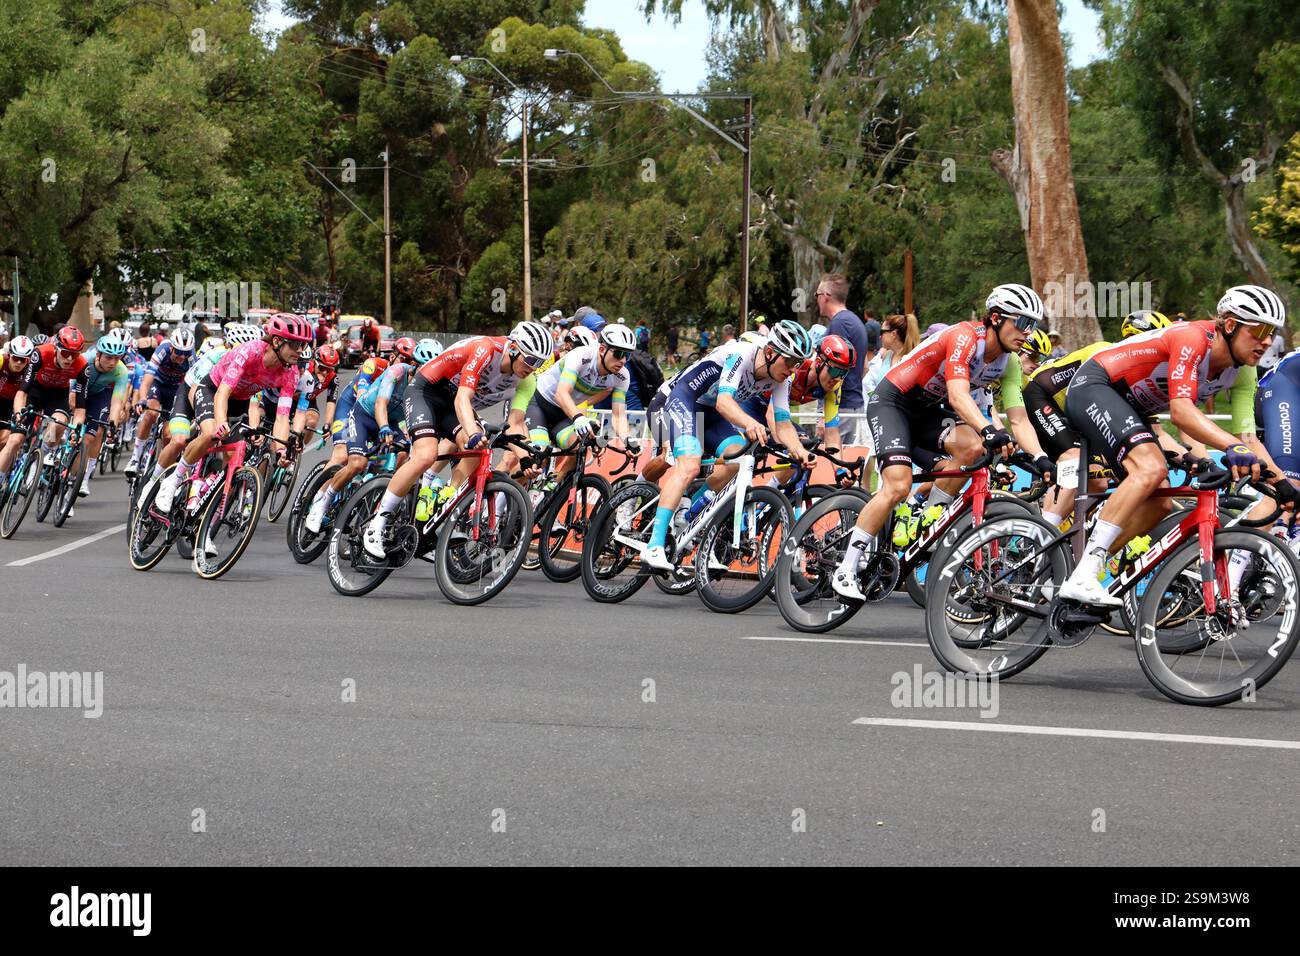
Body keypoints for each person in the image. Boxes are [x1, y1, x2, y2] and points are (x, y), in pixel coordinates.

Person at [1057, 285, 1295, 605]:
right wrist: (1232, 449)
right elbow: (1182, 414)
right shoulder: (1193, 339)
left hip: (1132, 409)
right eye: (1260, 330)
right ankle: (1085, 574)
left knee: (1160, 504)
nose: (1267, 341)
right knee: (1150, 468)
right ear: (1229, 324)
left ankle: (1078, 569)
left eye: (1272, 332)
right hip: (1094, 386)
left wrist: (1280, 481)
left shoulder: (1242, 372)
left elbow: (1246, 438)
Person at [830, 283, 1042, 601]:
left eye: (1033, 325)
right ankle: (846, 569)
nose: (1027, 333)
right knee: (898, 486)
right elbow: (958, 396)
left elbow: (1019, 418)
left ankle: (928, 517)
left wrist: (1039, 457)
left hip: (927, 411)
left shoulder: (1008, 363)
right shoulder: (965, 337)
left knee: (972, 447)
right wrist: (989, 429)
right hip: (892, 402)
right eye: (1023, 323)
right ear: (996, 318)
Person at [361, 321, 552, 559]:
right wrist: (472, 433)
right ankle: (377, 523)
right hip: (427, 391)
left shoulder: (527, 380)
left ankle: (442, 507)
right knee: (426, 455)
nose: (534, 368)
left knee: (479, 452)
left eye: (541, 364)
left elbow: (515, 422)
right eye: (531, 360)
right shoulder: (487, 349)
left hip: (455, 403)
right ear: (513, 349)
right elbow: (463, 398)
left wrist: (525, 457)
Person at [639, 320, 817, 572]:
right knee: (689, 464)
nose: (792, 369)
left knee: (737, 460)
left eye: (798, 364)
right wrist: (748, 423)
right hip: (682, 398)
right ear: (770, 352)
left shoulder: (781, 380)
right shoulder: (741, 355)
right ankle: (654, 545)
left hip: (709, 412)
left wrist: (800, 451)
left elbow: (784, 423)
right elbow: (724, 402)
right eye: (789, 361)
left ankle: (687, 515)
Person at [151, 314, 310, 513]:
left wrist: (281, 450)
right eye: (296, 344)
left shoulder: (291, 373)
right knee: (211, 433)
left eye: (304, 345)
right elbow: (222, 393)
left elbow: (282, 417)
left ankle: (208, 520)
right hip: (213, 390)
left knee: (235, 455)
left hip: (240, 402)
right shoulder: (250, 351)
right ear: (277, 341)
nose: (301, 351)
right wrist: (221, 422)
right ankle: (172, 481)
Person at [818, 273, 870, 449]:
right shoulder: (855, 322)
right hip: (853, 405)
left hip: (839, 407)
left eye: (817, 295)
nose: (816, 300)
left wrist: (822, 414)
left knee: (829, 464)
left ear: (825, 296)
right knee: (847, 466)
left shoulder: (839, 324)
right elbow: (864, 367)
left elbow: (832, 369)